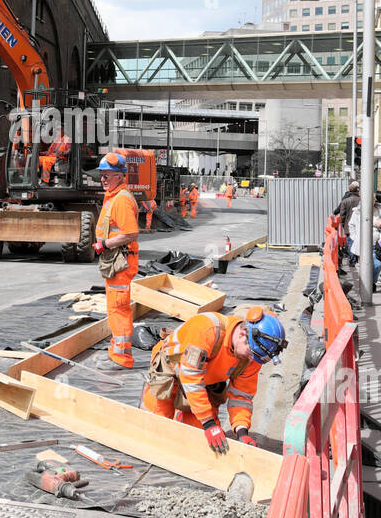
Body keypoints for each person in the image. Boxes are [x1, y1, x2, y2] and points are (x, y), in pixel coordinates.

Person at [140, 306, 287, 452]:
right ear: (242, 334)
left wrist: (242, 431)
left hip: (204, 382)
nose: (251, 359)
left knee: (201, 444)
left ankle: (183, 417)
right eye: (250, 353)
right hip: (170, 374)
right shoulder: (207, 329)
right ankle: (172, 415)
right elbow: (190, 378)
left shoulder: (252, 356)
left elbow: (241, 396)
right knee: (154, 430)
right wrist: (209, 423)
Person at [94, 151, 139, 368]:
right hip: (116, 261)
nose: (103, 179)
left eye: (108, 175)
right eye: (102, 175)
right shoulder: (114, 196)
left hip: (121, 261)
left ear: (120, 176)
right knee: (115, 307)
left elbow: (130, 233)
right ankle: (117, 349)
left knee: (119, 308)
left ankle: (122, 356)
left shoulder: (121, 200)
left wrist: (104, 244)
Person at [348, 197, 381, 292]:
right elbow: (351, 225)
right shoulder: (357, 212)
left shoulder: (380, 211)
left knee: (377, 264)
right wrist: (355, 238)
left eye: (373, 200)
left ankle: (371, 282)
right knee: (367, 265)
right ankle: (369, 284)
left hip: (376, 244)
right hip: (362, 244)